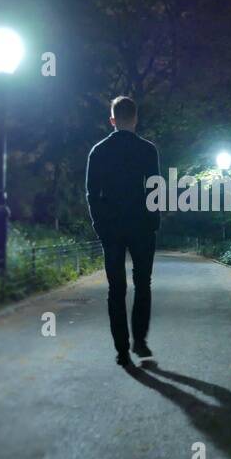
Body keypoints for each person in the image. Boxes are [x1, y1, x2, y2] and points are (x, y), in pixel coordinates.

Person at [85, 96, 160, 366]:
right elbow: (154, 190)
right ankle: (140, 339)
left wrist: (99, 224)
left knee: (116, 288)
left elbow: (92, 193)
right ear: (136, 119)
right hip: (141, 226)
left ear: (113, 120)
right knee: (143, 284)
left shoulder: (99, 151)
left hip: (112, 228)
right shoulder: (148, 150)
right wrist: (154, 223)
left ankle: (122, 350)